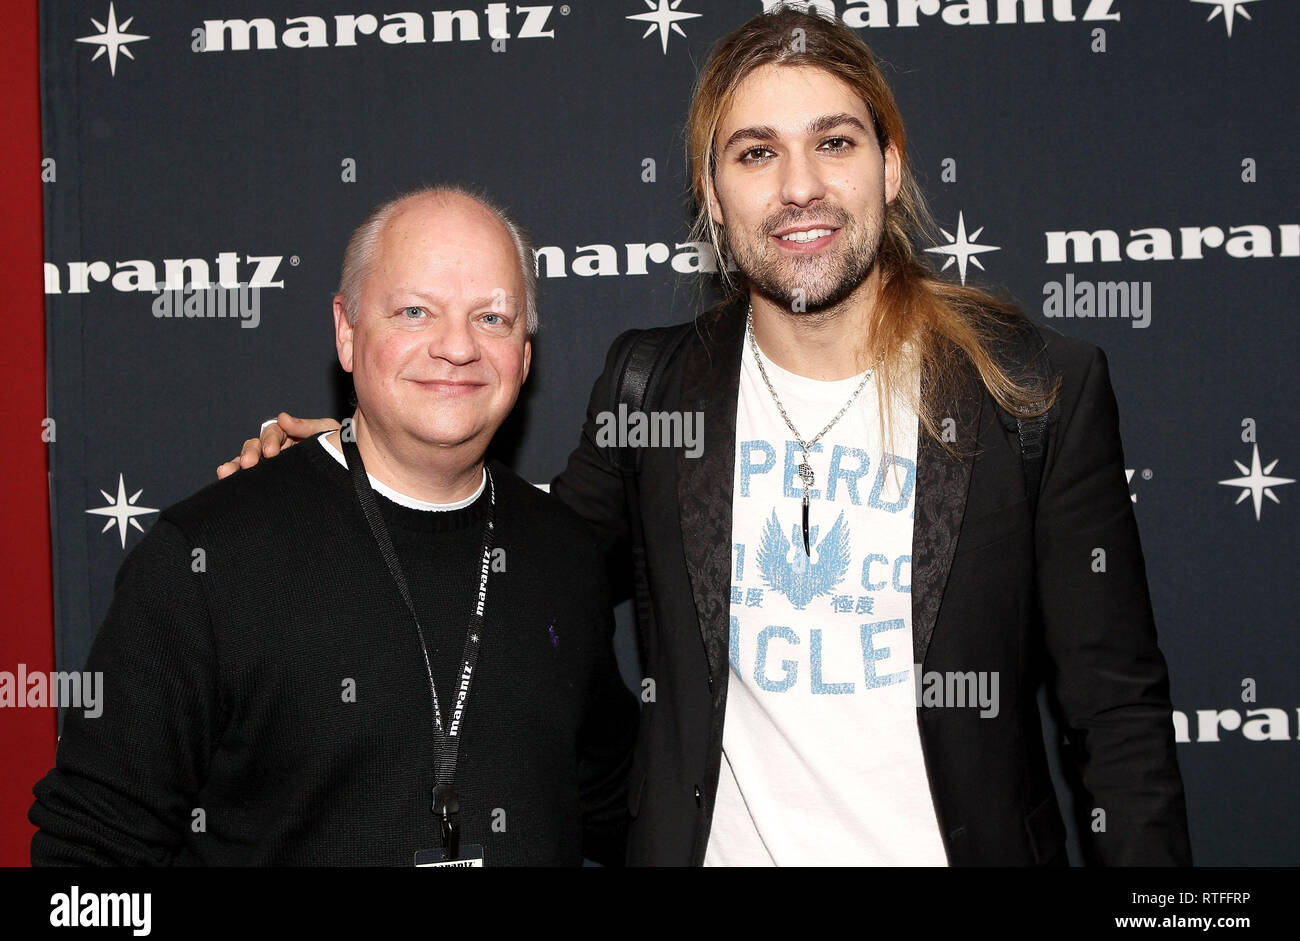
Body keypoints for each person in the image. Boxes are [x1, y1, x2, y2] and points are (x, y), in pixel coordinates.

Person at [223, 7, 1191, 866]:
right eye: (756, 152)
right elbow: (519, 556)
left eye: (836, 143)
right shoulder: (653, 386)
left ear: (890, 168)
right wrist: (368, 457)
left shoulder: (1030, 388)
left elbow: (1116, 719)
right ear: (712, 195)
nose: (799, 188)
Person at [31, 187, 637, 866]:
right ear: (347, 333)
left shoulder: (566, 555)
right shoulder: (207, 558)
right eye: (415, 312)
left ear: (524, 354)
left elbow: (623, 810)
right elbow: (86, 864)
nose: (457, 348)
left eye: (493, 318)